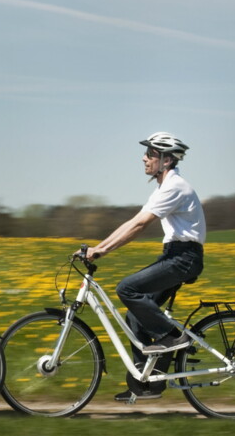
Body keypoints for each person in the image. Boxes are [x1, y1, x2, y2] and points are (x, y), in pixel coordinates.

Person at [83, 132, 205, 402]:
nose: (144, 158)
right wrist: (98, 247)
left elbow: (139, 226)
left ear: (166, 160)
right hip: (175, 255)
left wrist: (101, 250)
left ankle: (173, 335)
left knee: (127, 289)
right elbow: (132, 221)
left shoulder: (175, 186)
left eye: (150, 154)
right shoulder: (163, 187)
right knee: (136, 317)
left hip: (183, 257)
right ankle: (146, 381)